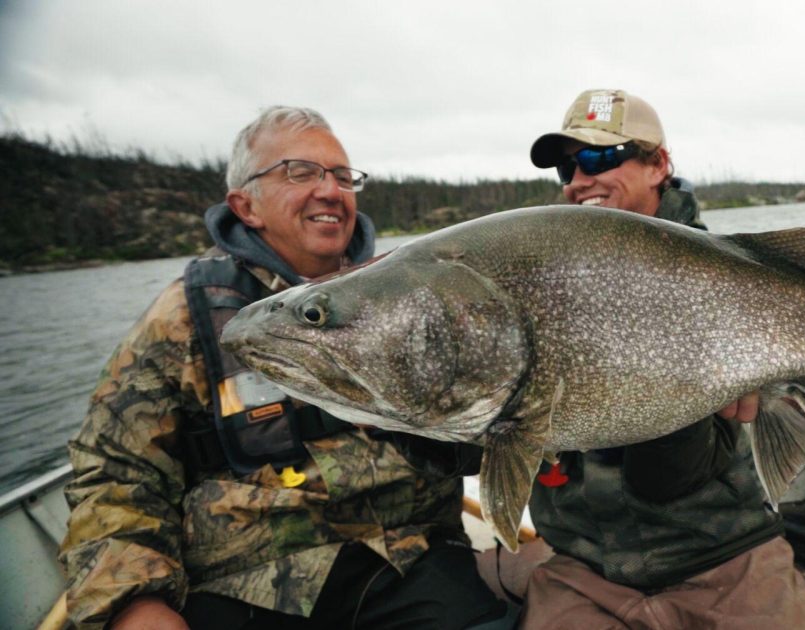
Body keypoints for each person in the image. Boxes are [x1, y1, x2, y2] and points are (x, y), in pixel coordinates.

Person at [59, 106, 509, 630]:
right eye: (301, 172)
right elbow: (113, 470)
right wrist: (135, 603)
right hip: (249, 583)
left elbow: (484, 419)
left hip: (411, 558)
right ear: (245, 204)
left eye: (343, 176)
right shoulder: (181, 318)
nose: (330, 190)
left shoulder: (418, 292)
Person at [505, 89, 805, 628]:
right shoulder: (536, 279)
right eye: (568, 166)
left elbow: (670, 482)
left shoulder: (724, 278)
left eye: (601, 156)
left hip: (726, 555)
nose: (580, 178)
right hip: (582, 569)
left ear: (659, 164)